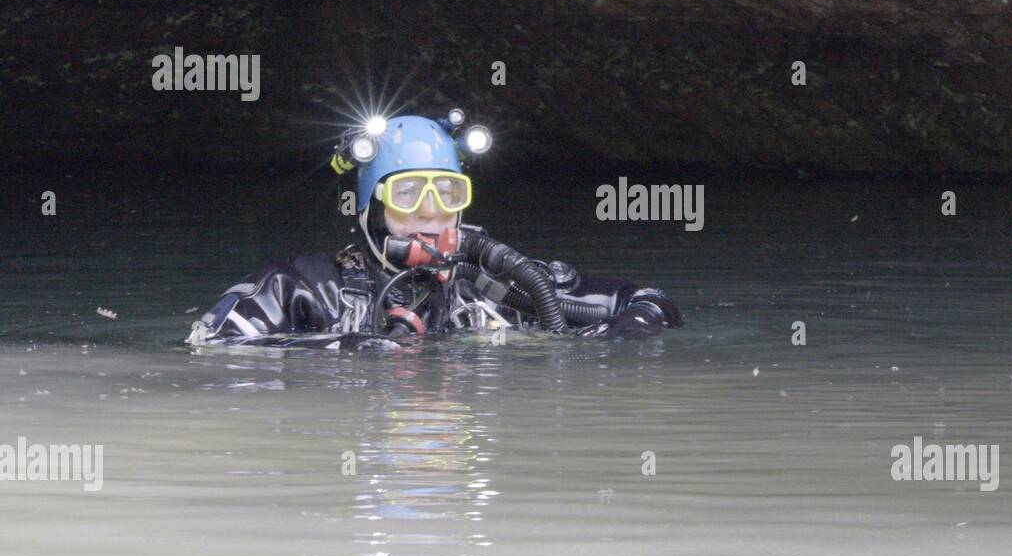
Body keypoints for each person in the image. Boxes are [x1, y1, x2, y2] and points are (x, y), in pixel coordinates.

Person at [185, 113, 683, 349]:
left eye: (448, 193)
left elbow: (653, 299)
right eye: (407, 194)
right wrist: (337, 347)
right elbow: (208, 347)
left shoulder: (494, 288)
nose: (431, 211)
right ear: (371, 207)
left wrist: (630, 326)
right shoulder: (305, 288)